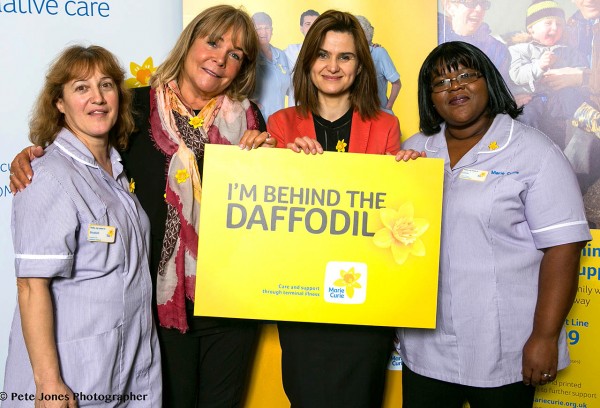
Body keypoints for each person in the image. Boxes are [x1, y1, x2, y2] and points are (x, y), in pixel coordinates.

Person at [9, 5, 275, 408]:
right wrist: (30, 157)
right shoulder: (131, 106)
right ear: (189, 44)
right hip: (157, 311)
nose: (220, 59)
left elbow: (265, 207)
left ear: (243, 67)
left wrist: (272, 157)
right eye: (213, 41)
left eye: (236, 54)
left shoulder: (251, 119)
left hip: (230, 306)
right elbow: (78, 149)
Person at [397, 41, 591, 408]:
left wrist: (545, 337)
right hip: (425, 348)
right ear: (429, 97)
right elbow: (394, 240)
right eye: (441, 82)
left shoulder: (534, 151)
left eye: (466, 75)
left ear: (489, 82)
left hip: (506, 348)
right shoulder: (415, 149)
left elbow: (563, 247)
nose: (455, 86)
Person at [267, 10, 423, 408]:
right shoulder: (280, 123)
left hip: (362, 294)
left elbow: (392, 217)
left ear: (360, 66)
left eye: (345, 57)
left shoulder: (386, 125)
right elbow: (267, 214)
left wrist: (407, 174)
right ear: (307, 62)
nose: (332, 66)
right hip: (300, 296)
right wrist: (268, 155)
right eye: (322, 55)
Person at [2, 45, 161, 407]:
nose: (98, 98)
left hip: (126, 369)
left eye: (106, 85)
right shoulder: (49, 177)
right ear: (59, 103)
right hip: (73, 376)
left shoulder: (116, 171)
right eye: (81, 88)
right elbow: (30, 286)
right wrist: (48, 384)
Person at [508, 0, 594, 148]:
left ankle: (591, 120)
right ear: (531, 29)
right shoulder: (519, 50)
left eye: (559, 24)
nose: (555, 28)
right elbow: (515, 74)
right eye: (548, 23)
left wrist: (572, 73)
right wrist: (538, 66)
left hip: (558, 100)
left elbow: (581, 68)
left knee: (570, 98)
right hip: (532, 98)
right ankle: (526, 149)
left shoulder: (567, 51)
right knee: (528, 116)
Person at [355, 15, 402, 115]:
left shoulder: (378, 53)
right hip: (355, 117)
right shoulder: (346, 56)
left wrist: (388, 108)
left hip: (378, 114)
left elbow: (397, 83)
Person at [252, 11, 293, 120]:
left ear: (272, 31)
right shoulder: (250, 56)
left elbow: (289, 88)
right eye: (258, 29)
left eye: (267, 28)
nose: (263, 32)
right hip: (257, 119)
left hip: (279, 119)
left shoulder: (281, 55)